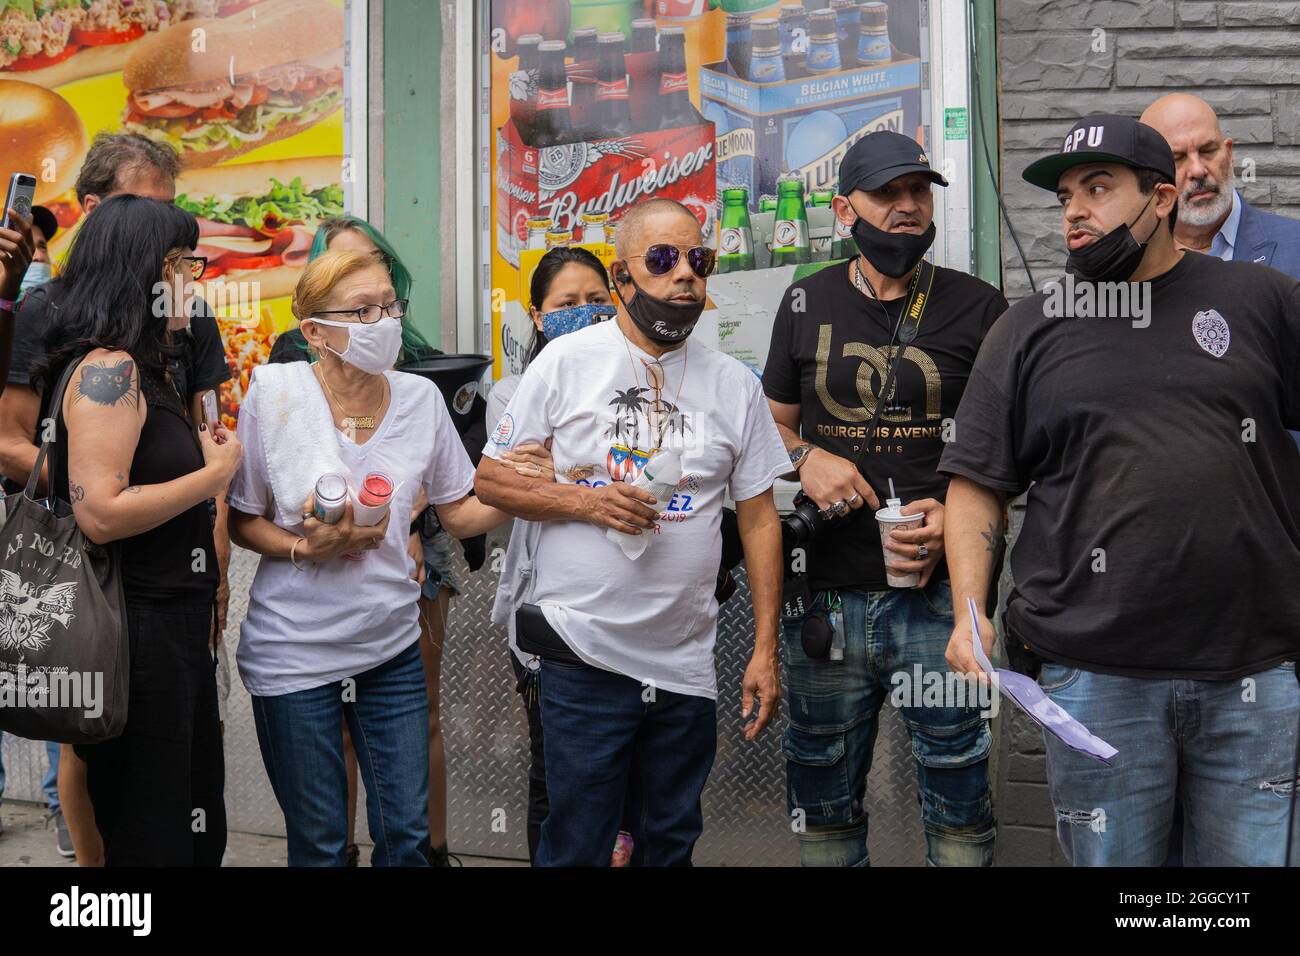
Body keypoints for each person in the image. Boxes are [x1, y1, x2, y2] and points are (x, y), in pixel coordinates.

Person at [940, 113, 1300, 866]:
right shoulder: (1028, 329)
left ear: (1162, 197)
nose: (1075, 209)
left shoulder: (1260, 299)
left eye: (1098, 189)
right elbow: (977, 482)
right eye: (1066, 194)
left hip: (1255, 668)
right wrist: (969, 612)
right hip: (1095, 676)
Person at [475, 197, 790, 867]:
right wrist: (589, 504)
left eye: (698, 261)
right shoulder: (565, 364)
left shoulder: (733, 384)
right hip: (583, 653)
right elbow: (492, 482)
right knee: (579, 844)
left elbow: (760, 518)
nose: (685, 276)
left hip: (684, 661)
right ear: (622, 278)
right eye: (663, 260)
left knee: (668, 844)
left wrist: (765, 647)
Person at [761, 130, 1007, 867]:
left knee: (959, 796)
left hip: (937, 600)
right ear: (845, 210)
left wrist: (951, 519)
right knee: (823, 798)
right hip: (826, 599)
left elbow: (1006, 451)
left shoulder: (979, 306)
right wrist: (807, 459)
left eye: (918, 192)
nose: (907, 207)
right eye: (887, 194)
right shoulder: (805, 299)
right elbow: (768, 426)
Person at [227, 249, 505, 867]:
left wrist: (534, 494)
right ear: (315, 333)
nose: (384, 321)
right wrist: (305, 545)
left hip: (390, 649)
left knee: (406, 841)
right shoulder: (275, 393)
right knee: (323, 847)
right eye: (363, 310)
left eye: (390, 305)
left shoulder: (420, 400)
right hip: (294, 654)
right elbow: (242, 518)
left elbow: (460, 512)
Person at [0, 134, 233, 863]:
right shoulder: (109, 370)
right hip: (130, 624)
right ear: (145, 268)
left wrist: (213, 575)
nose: (192, 281)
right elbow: (99, 509)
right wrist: (212, 476)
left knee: (187, 826)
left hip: (175, 612)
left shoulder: (160, 355)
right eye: (182, 264)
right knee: (150, 836)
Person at [485, 245, 625, 863]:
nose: (586, 312)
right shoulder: (514, 390)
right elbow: (522, 485)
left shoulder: (641, 379)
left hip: (642, 606)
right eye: (567, 304)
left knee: (635, 778)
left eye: (597, 301)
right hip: (549, 609)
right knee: (559, 773)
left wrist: (562, 469)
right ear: (538, 316)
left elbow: (559, 475)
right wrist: (583, 478)